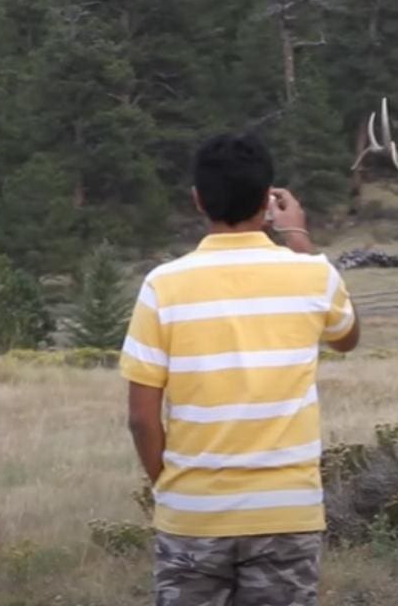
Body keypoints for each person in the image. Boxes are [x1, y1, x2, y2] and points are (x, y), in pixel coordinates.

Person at [119, 130, 360, 606]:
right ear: (267, 201)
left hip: (193, 511)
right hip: (286, 511)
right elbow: (347, 338)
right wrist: (297, 236)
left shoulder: (162, 286)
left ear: (197, 201)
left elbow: (142, 417)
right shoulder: (313, 274)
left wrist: (169, 488)